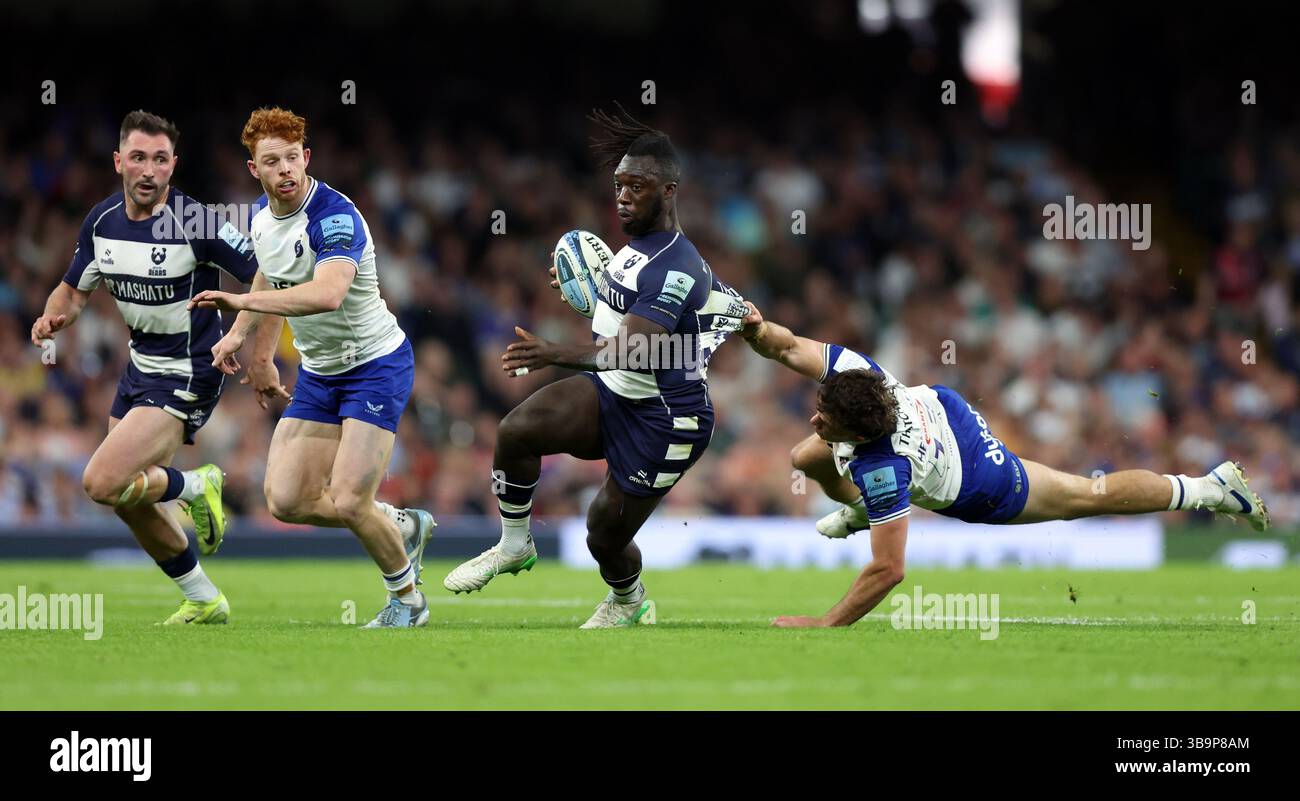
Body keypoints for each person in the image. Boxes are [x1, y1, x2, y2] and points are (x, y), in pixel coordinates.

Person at [737, 301, 1270, 628]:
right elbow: (786, 349)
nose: (814, 418)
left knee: (1088, 495)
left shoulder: (884, 466)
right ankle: (861, 512)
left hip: (984, 483)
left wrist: (825, 623)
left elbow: (890, 570)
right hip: (946, 409)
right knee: (803, 455)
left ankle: (1210, 488)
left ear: (857, 435)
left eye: (825, 418)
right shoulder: (858, 373)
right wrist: (754, 328)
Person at [194, 107, 435, 628]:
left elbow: (327, 295)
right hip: (321, 373)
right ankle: (402, 525)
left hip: (375, 366)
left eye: (290, 158)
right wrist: (242, 340)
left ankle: (408, 601)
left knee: (350, 500)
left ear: (306, 158)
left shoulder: (335, 216)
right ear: (253, 169)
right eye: (270, 161)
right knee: (286, 500)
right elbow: (268, 275)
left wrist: (237, 306)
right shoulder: (261, 218)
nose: (283, 169)